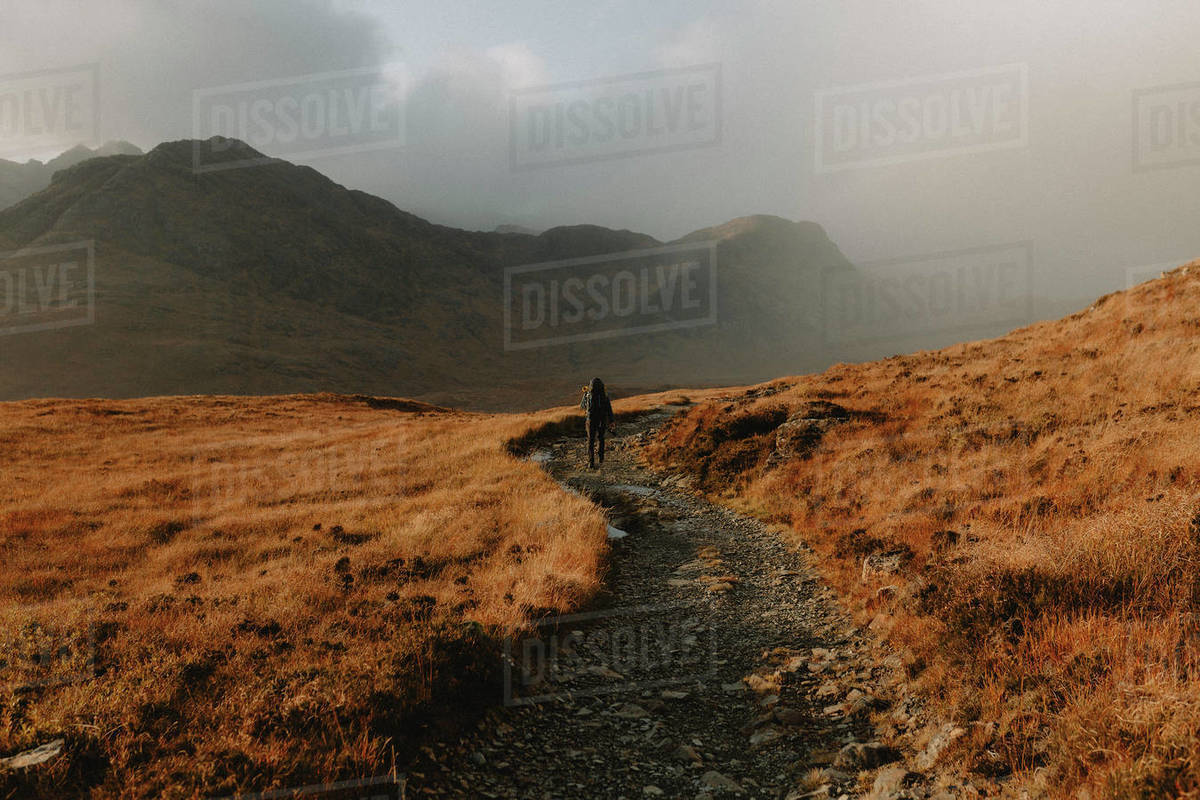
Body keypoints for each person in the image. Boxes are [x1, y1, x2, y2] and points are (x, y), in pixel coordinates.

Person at [580, 377, 615, 469]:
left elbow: (582, 406)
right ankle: (601, 459)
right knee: (601, 438)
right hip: (602, 419)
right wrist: (611, 420)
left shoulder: (587, 394)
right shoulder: (604, 395)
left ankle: (591, 462)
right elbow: (609, 409)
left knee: (590, 440)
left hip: (590, 420)